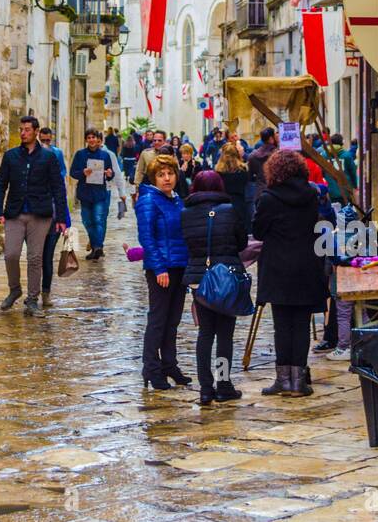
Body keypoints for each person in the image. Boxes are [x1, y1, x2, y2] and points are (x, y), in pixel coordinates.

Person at [252, 150, 328, 397]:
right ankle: (298, 381)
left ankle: (282, 379)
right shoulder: (311, 196)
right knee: (302, 325)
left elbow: (259, 231)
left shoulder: (268, 199)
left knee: (282, 325)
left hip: (278, 268)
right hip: (307, 264)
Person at [181, 171, 248, 406]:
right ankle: (223, 384)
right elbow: (241, 243)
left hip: (199, 279)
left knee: (205, 334)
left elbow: (187, 243)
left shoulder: (186, 214)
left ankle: (205, 389)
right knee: (225, 336)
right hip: (226, 279)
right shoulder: (230, 211)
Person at [0, 115, 68, 317]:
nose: (23, 133)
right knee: (11, 255)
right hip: (15, 214)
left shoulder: (48, 157)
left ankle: (32, 299)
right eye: (21, 129)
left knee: (35, 258)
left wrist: (61, 218)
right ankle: (14, 289)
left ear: (36, 132)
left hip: (40, 215)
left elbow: (58, 187)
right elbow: (1, 185)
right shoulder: (11, 156)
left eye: (27, 129)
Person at [135, 156, 190, 391]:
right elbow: (146, 238)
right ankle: (151, 368)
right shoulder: (148, 200)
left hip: (179, 265)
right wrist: (159, 268)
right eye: (161, 174)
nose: (167, 178)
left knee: (172, 321)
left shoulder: (177, 200)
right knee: (158, 320)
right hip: (162, 269)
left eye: (170, 173)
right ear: (153, 178)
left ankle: (170, 364)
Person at [70, 128, 116, 260]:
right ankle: (97, 246)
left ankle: (97, 247)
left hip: (99, 192)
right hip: (85, 192)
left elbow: (110, 174)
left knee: (98, 219)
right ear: (86, 140)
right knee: (87, 220)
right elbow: (73, 172)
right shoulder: (80, 155)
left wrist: (109, 174)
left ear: (98, 140)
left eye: (93, 137)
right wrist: (82, 173)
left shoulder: (105, 155)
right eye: (89, 137)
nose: (91, 140)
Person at [38, 125, 70, 307]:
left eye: (47, 141)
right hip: (36, 218)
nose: (45, 144)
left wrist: (64, 221)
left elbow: (62, 193)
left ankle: (46, 293)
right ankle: (35, 293)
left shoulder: (56, 155)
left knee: (47, 257)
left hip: (54, 219)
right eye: (42, 141)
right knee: (36, 257)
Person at [216, 141, 249, 233]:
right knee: (240, 230)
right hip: (240, 201)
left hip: (223, 203)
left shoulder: (218, 171)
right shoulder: (243, 170)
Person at [247, 127, 278, 202]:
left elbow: (250, 176)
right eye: (275, 135)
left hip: (260, 193)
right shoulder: (278, 155)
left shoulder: (252, 156)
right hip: (276, 192)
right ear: (271, 138)